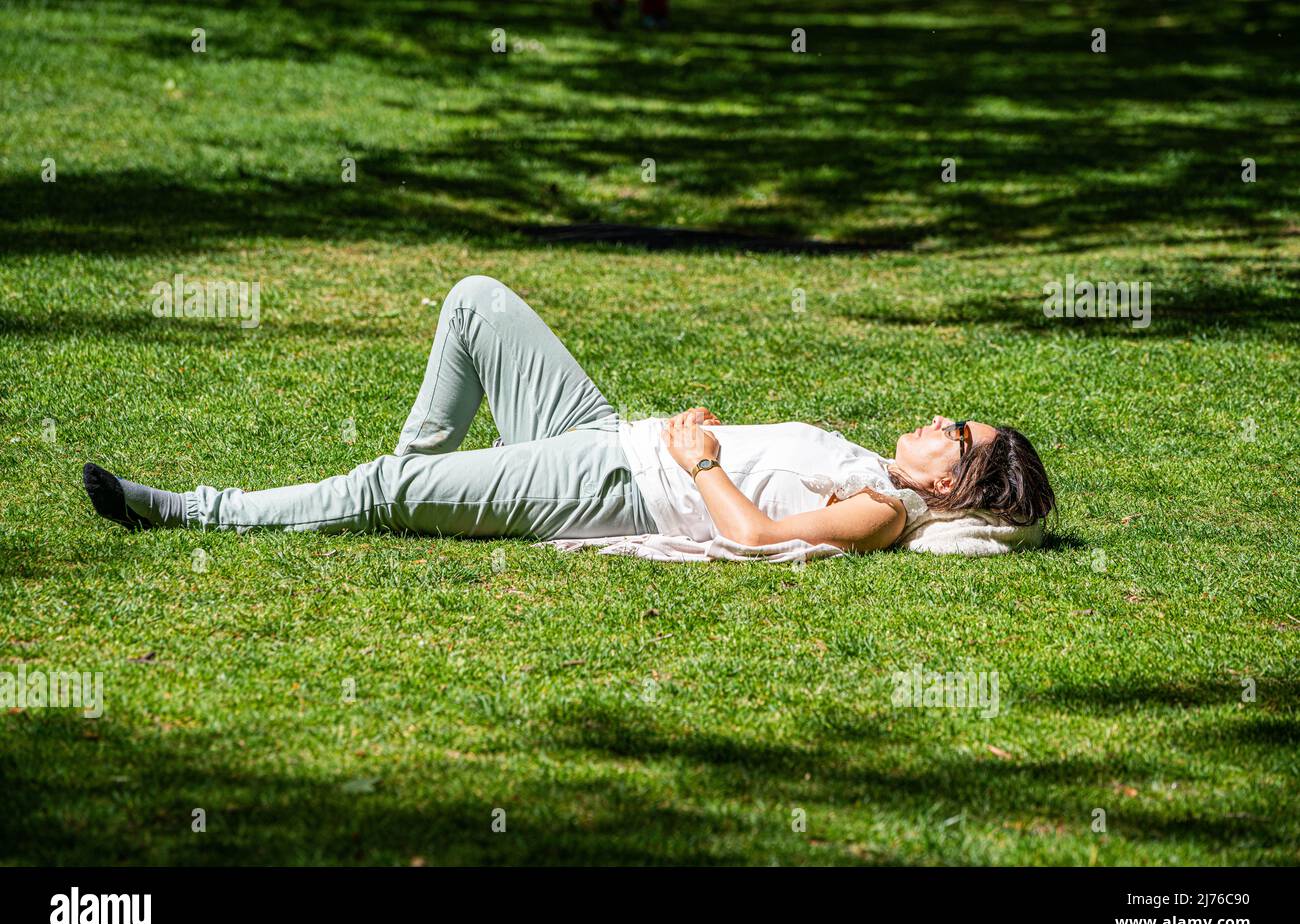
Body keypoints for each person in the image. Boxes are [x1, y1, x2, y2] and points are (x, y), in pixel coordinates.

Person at [83, 275, 1055, 553]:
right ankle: (410, 490)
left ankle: (186, 510)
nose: (935, 422)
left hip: (612, 483)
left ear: (951, 481)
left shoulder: (884, 511)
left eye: (953, 435)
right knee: (476, 302)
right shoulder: (882, 474)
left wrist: (699, 456)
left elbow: (757, 539)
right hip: (603, 436)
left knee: (391, 485)